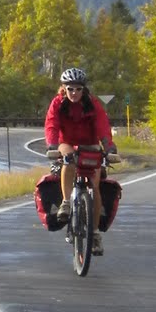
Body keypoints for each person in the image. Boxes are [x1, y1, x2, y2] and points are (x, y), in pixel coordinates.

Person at [44, 66, 115, 254]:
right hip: (66, 142)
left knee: (95, 185)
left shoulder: (92, 104)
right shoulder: (58, 103)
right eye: (70, 89)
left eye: (78, 89)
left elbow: (102, 126)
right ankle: (66, 202)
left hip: (89, 144)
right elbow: (51, 125)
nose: (74, 92)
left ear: (84, 89)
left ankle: (95, 234)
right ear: (63, 88)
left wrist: (109, 147)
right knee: (68, 158)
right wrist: (52, 145)